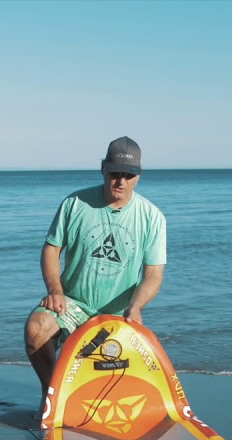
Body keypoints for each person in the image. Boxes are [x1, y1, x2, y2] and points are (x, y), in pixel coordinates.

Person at [24, 136, 167, 398]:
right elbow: (51, 249)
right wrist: (55, 290)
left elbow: (153, 274)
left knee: (110, 392)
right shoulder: (75, 203)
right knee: (36, 328)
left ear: (139, 176)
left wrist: (136, 307)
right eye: (115, 173)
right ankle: (52, 394)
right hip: (72, 306)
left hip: (119, 314)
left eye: (129, 174)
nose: (121, 181)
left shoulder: (152, 217)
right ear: (103, 168)